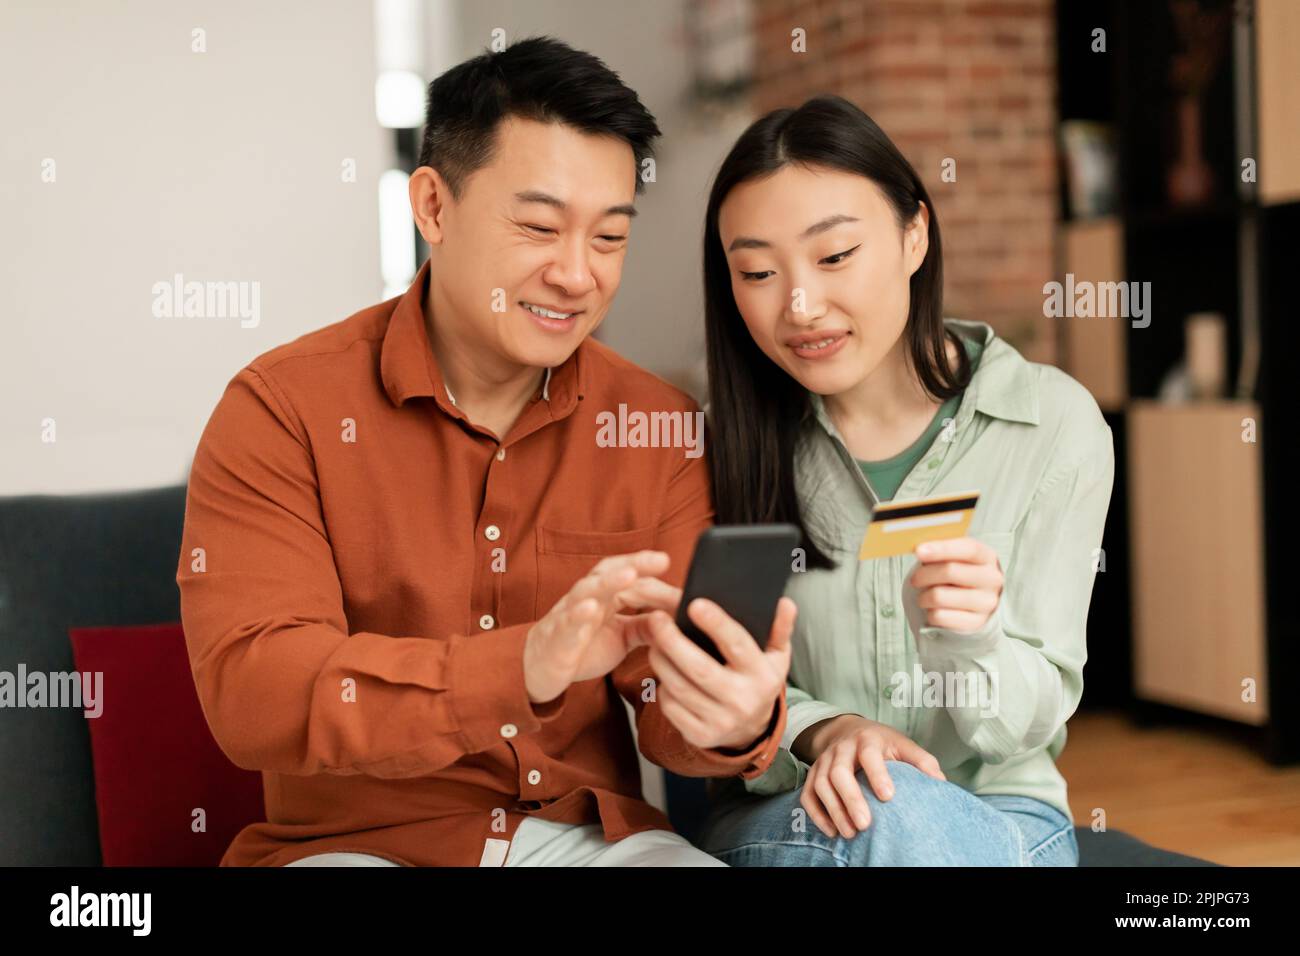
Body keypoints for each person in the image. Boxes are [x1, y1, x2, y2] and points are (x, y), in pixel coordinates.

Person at [177, 36, 793, 867]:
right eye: (539, 226)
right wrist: (522, 666)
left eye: (609, 238)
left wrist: (734, 717)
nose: (578, 275)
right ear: (433, 206)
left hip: (592, 842)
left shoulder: (659, 426)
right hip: (357, 849)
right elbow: (256, 695)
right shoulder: (282, 409)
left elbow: (666, 713)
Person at [694, 95, 1114, 866]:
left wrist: (977, 642)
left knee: (911, 818)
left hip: (1003, 817)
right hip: (798, 811)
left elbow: (1030, 724)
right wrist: (828, 730)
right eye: (756, 271)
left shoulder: (1054, 424)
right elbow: (716, 684)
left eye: (834, 256)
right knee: (884, 812)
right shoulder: (729, 441)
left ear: (914, 234)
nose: (800, 304)